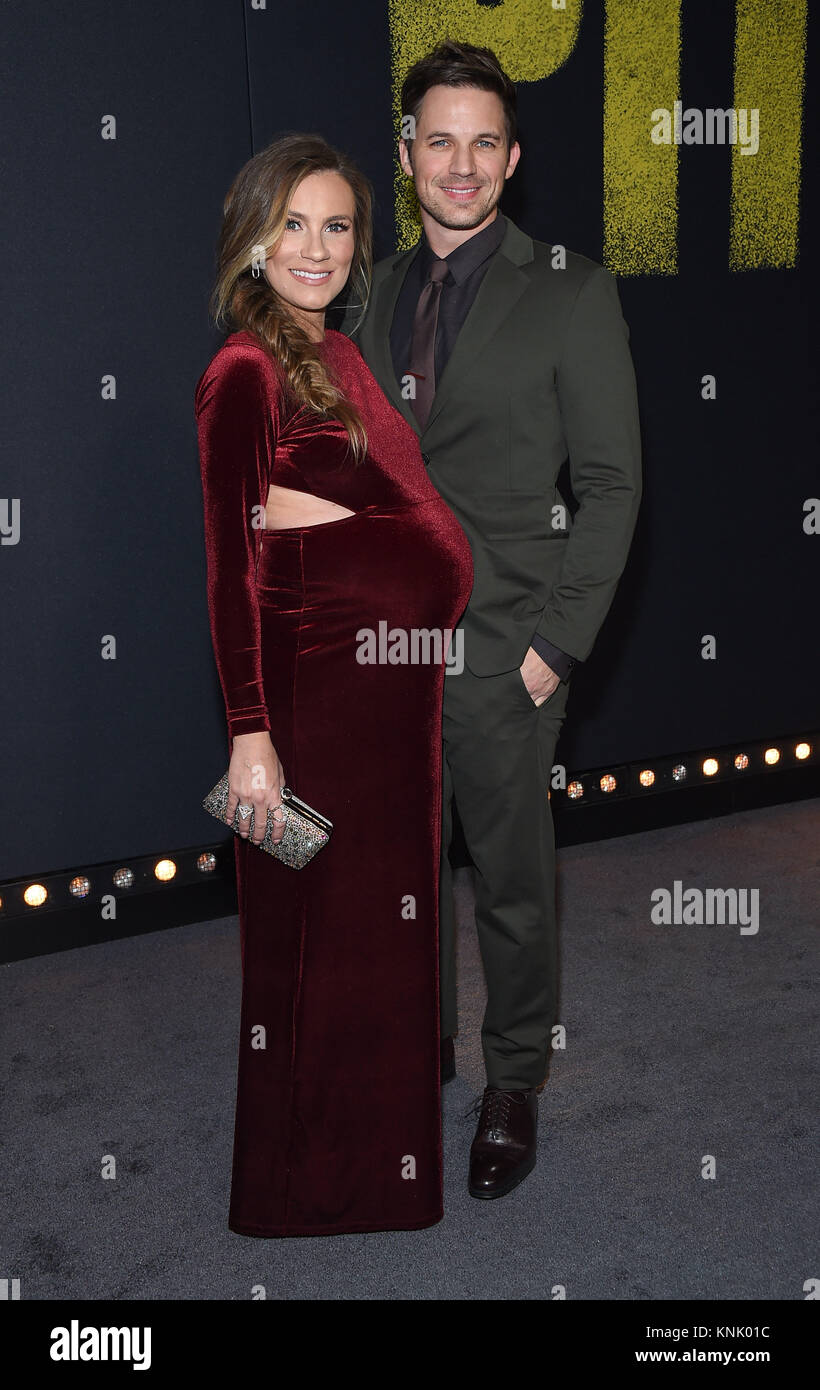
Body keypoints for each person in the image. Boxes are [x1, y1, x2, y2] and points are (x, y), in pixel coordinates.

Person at [342, 41, 642, 1199]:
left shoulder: (571, 288)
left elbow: (612, 486)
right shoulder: (365, 292)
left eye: (483, 143)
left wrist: (551, 652)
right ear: (406, 152)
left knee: (509, 881)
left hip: (504, 646)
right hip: (383, 649)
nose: (458, 165)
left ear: (510, 161)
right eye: (438, 140)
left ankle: (512, 1078)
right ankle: (418, 1053)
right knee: (396, 873)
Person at [195, 133, 473, 1236]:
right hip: (313, 711)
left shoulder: (339, 355)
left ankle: (377, 1175)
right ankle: (296, 1187)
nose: (317, 247)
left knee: (383, 946)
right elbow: (232, 567)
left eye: (339, 225)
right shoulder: (244, 370)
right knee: (314, 945)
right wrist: (250, 734)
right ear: (255, 240)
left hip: (391, 707)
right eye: (295, 224)